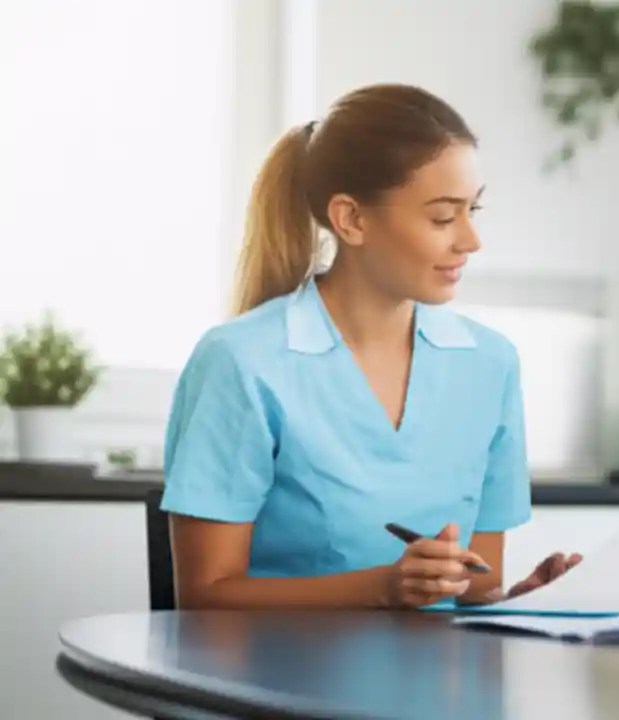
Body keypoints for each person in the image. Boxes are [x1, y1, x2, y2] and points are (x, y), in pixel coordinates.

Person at [162, 84, 573, 610]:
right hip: (280, 665)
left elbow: (471, 588)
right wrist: (381, 588)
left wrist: (523, 600)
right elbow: (204, 598)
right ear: (352, 219)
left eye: (474, 210)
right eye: (443, 217)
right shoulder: (241, 362)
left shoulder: (490, 364)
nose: (471, 240)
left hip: (441, 667)